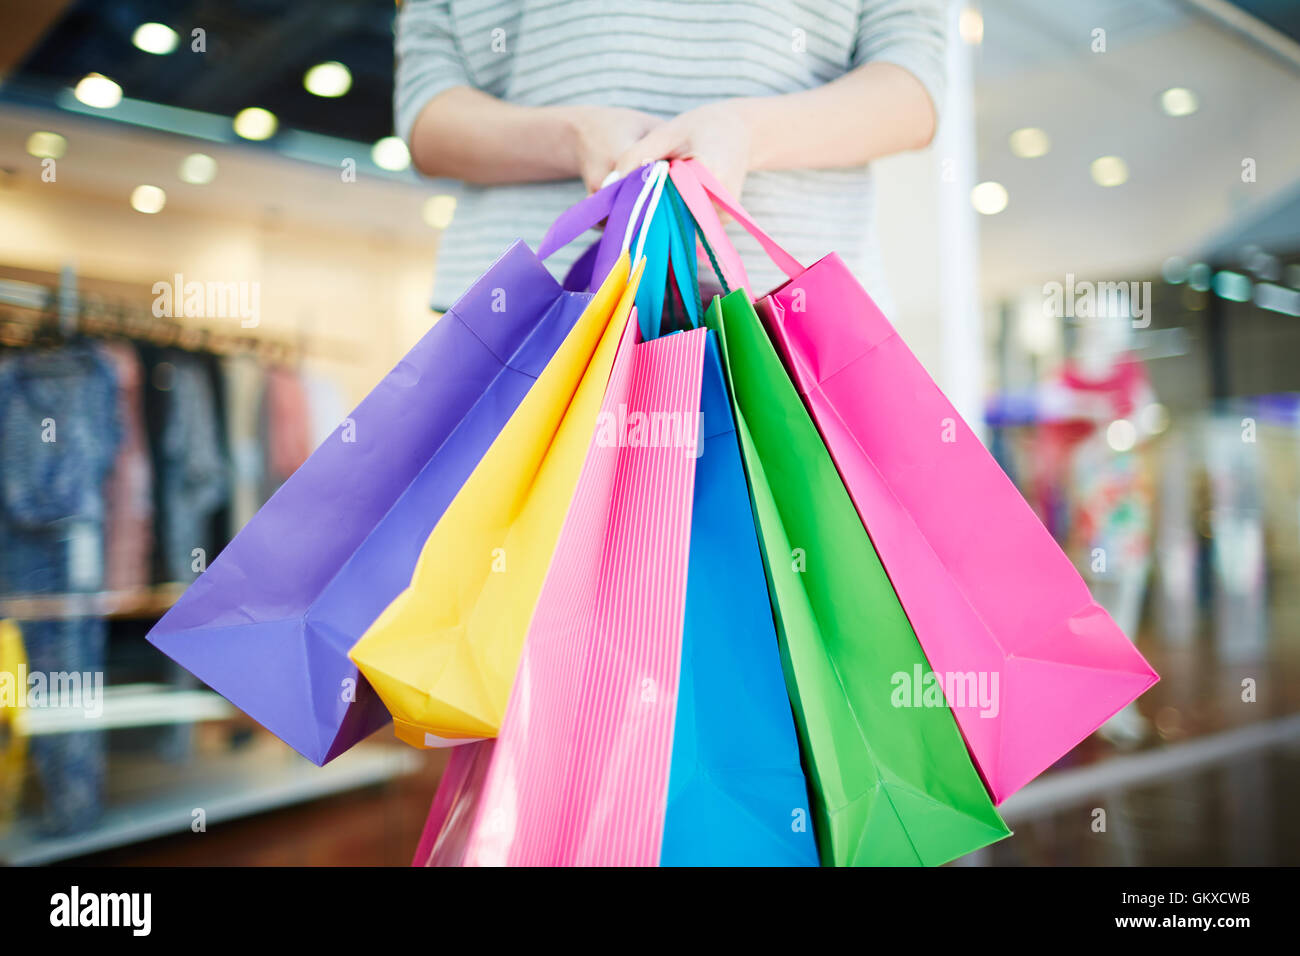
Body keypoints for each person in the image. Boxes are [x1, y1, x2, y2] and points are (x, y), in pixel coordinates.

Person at [396, 0, 947, 312]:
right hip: (523, 319)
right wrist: (574, 136)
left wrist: (745, 132)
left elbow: (914, 88)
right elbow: (426, 112)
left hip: (792, 322)